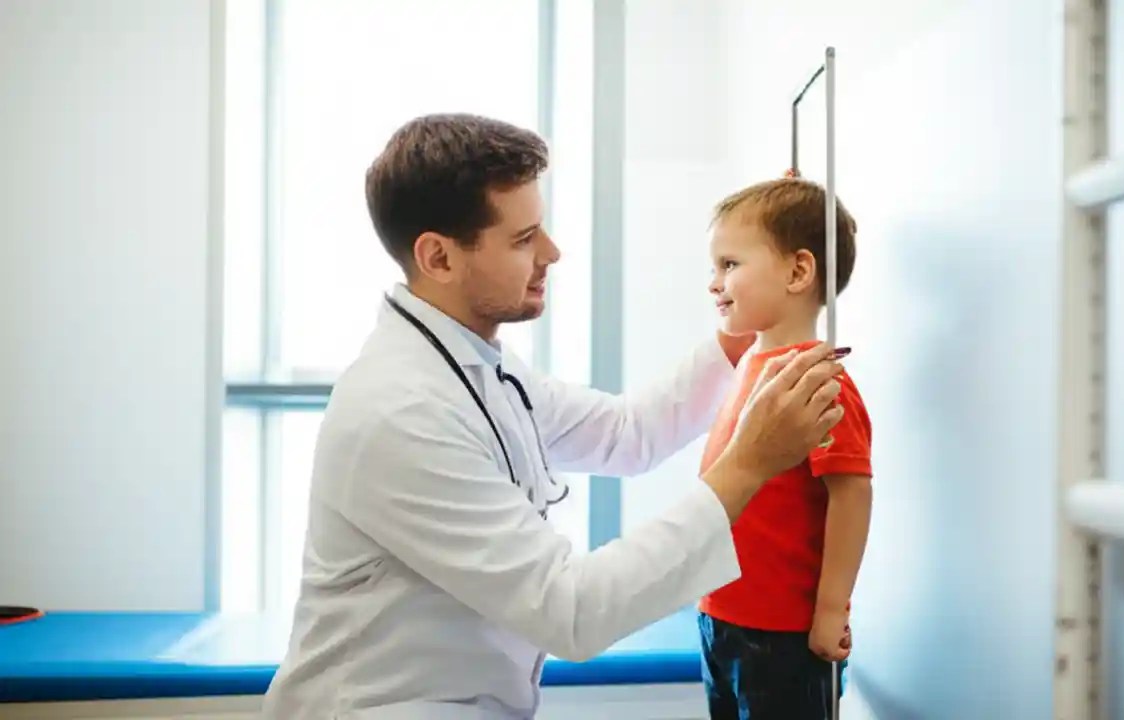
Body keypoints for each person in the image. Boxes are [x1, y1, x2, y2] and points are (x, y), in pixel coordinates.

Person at [260, 113, 849, 719]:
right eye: (522, 240)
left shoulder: (476, 365)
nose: (552, 252)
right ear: (437, 257)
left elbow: (627, 435)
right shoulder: (398, 412)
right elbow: (570, 610)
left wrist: (755, 311)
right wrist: (747, 464)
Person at [697, 177, 874, 719]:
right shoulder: (753, 362)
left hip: (782, 633)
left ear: (799, 272)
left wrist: (830, 609)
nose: (714, 283)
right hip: (720, 613)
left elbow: (852, 496)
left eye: (730, 265)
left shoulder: (819, 382)